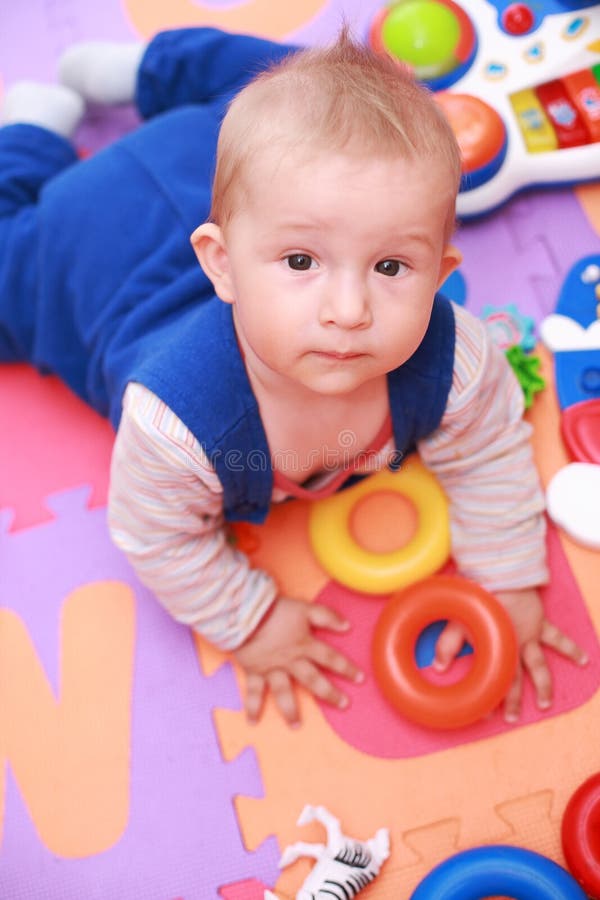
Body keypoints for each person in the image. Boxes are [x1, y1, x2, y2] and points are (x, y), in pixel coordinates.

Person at [0, 27, 587, 727]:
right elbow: (158, 538)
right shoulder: (175, 425)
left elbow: (488, 451)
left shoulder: (454, 355)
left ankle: (159, 79)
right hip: (89, 249)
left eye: (391, 267)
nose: (347, 311)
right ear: (220, 264)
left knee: (298, 97)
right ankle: (35, 126)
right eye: (302, 264)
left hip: (208, 153)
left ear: (440, 274)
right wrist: (249, 617)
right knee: (11, 265)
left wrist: (508, 576)